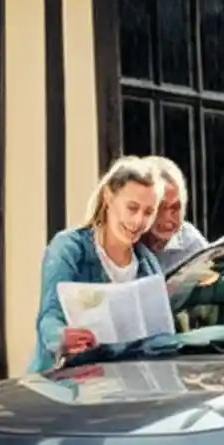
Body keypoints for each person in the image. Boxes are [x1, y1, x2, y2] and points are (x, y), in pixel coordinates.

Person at [30, 155, 165, 373]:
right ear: (108, 197)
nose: (139, 221)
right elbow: (49, 316)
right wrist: (62, 337)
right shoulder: (69, 248)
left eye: (149, 212)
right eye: (132, 208)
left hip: (125, 388)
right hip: (66, 383)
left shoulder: (149, 266)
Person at [141, 155, 210, 273]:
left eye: (175, 208)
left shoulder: (191, 242)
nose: (168, 218)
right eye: (160, 208)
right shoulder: (128, 239)